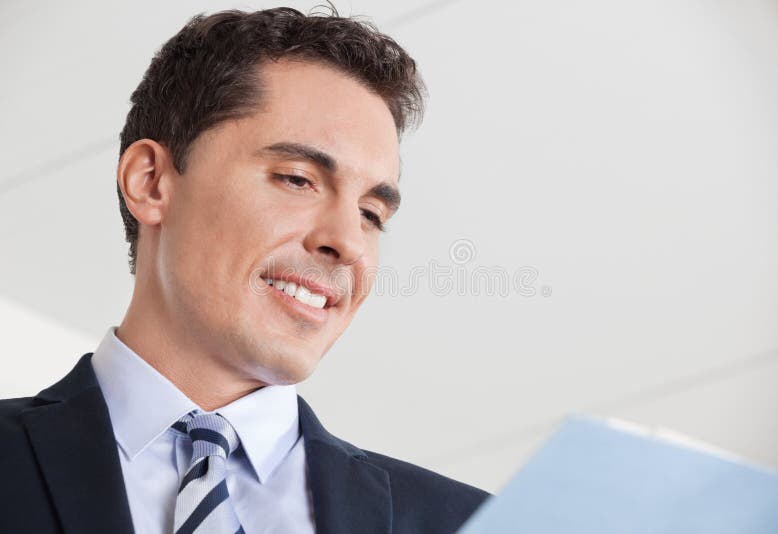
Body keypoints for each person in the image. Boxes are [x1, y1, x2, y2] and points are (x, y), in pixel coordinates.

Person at [0, 6, 491, 534]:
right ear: (151, 182)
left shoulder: (473, 524)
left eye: (372, 214)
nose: (348, 242)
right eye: (297, 179)